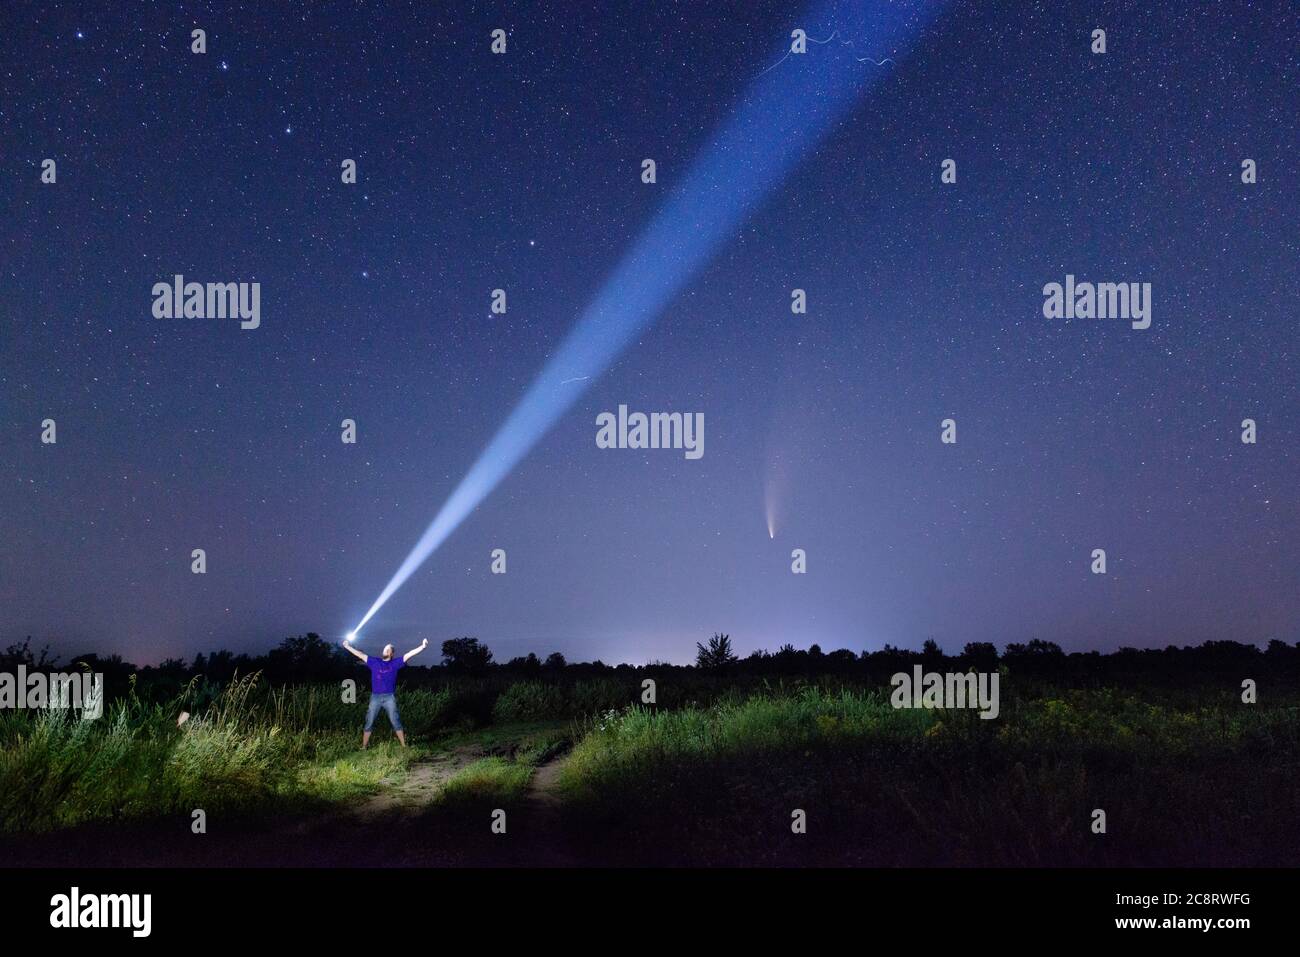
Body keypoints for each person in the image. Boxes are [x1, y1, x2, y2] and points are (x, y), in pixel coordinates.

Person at [343, 637, 428, 748]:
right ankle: (364, 747)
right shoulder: (374, 662)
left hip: (389, 698)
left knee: (395, 721)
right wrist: (347, 646)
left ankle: (404, 746)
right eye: (385, 649)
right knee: (369, 721)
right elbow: (360, 654)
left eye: (388, 649)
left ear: (392, 654)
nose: (386, 650)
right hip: (375, 697)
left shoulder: (395, 663)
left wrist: (423, 646)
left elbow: (409, 654)